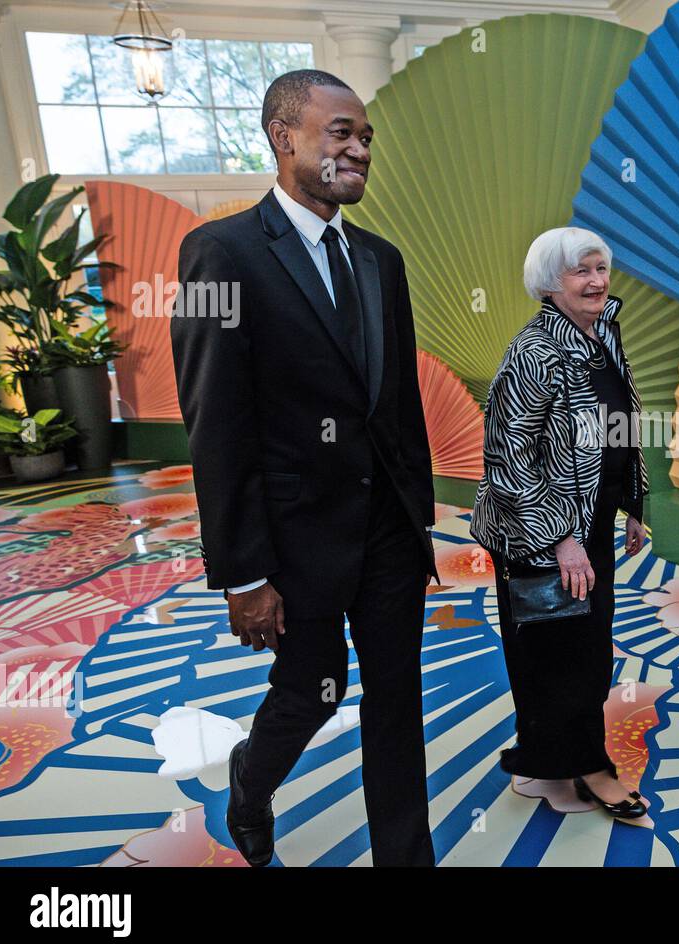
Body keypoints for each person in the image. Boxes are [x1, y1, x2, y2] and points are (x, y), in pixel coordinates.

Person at [170, 69, 439, 866]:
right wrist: (244, 571)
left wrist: (417, 514)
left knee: (397, 702)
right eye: (340, 133)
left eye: (365, 138)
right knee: (309, 691)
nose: (358, 149)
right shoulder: (217, 252)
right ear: (283, 137)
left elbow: (395, 402)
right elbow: (215, 423)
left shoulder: (382, 260)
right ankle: (250, 781)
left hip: (388, 533)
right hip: (295, 540)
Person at [471, 227, 650, 820]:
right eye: (582, 272)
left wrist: (632, 506)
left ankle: (556, 755)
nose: (597, 281)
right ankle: (586, 764)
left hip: (588, 521)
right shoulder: (534, 352)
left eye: (601, 268)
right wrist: (562, 538)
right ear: (551, 284)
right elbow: (506, 456)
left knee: (587, 646)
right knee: (558, 654)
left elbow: (619, 422)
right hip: (536, 533)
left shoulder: (600, 333)